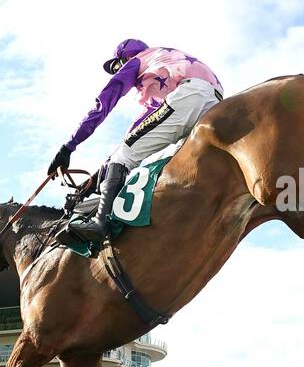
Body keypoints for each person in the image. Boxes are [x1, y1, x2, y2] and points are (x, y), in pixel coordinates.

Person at [49, 39, 225, 246]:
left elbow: (103, 104)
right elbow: (136, 132)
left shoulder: (137, 62)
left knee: (124, 157)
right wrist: (97, 178)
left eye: (117, 66)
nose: (118, 70)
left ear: (126, 57)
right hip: (214, 99)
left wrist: (68, 147)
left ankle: (100, 224)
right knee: (171, 165)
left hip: (188, 95)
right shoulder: (160, 66)